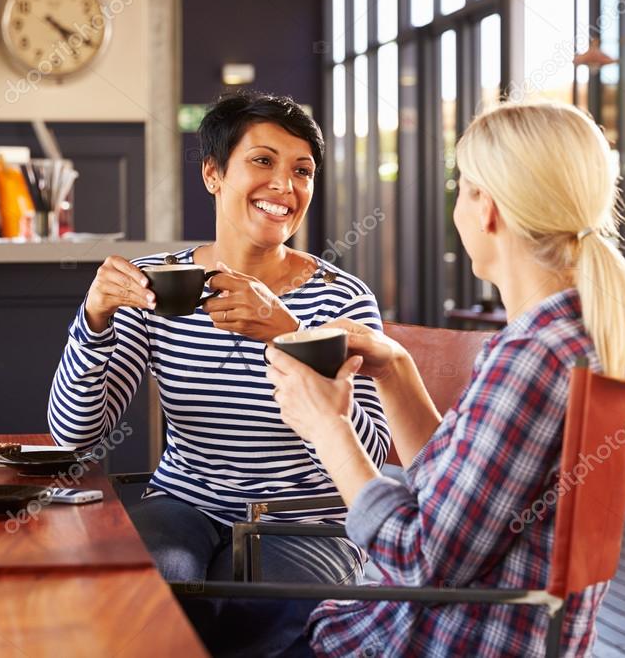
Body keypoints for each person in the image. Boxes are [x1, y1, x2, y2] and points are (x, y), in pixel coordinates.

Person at [265, 101, 625, 656]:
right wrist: (396, 372)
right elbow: (452, 499)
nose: (458, 208)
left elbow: (419, 557)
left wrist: (328, 428)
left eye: (463, 188)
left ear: (486, 208)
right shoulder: (576, 335)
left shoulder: (532, 357)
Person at [47, 92, 390, 654]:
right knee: (140, 601)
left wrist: (291, 334)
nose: (285, 185)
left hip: (304, 520)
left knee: (261, 618)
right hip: (184, 503)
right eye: (263, 161)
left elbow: (371, 456)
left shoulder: (343, 299)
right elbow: (75, 440)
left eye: (301, 170)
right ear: (212, 173)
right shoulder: (158, 286)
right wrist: (93, 321)